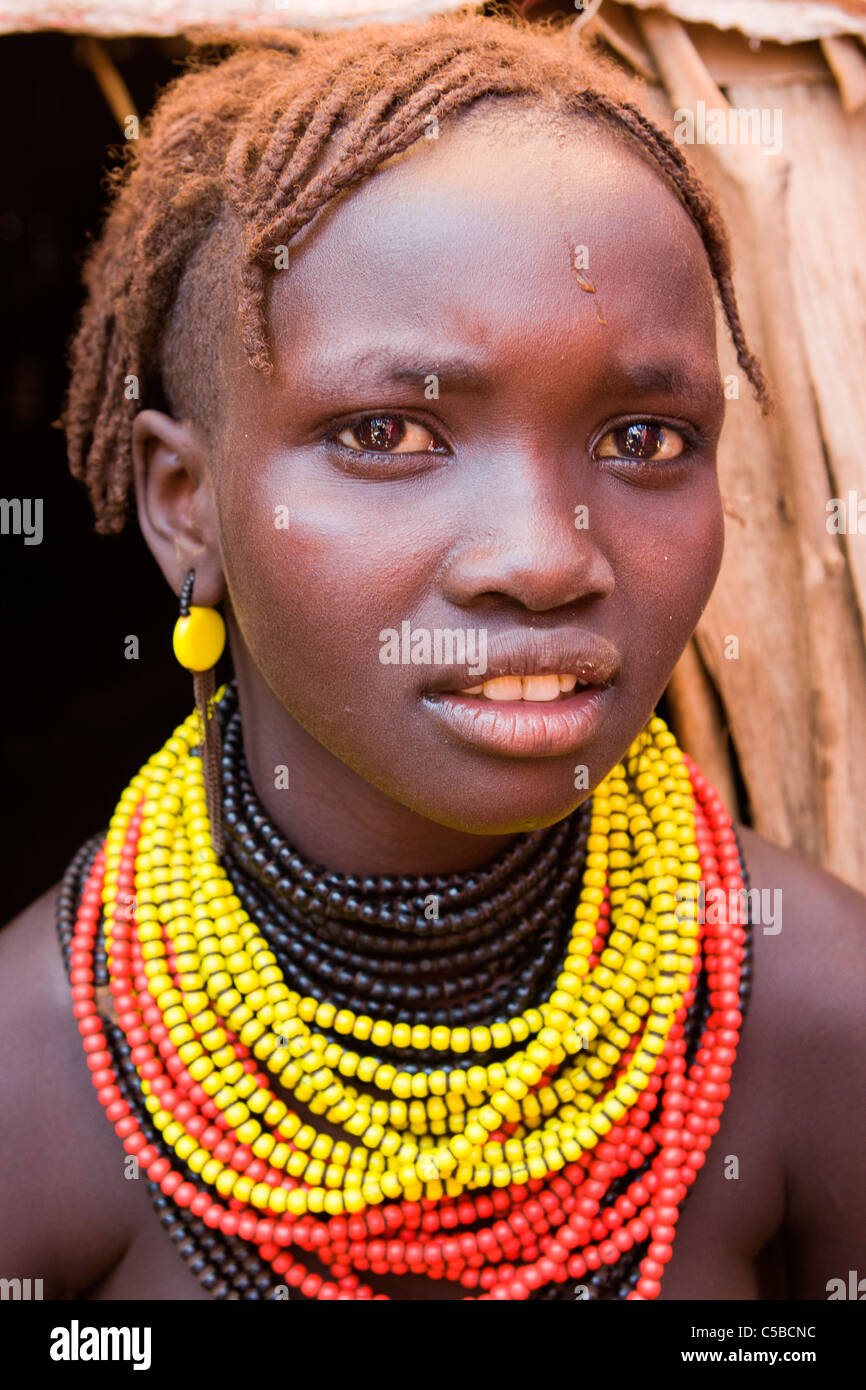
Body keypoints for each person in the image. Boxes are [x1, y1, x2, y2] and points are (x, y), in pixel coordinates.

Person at [1, 9, 864, 1302]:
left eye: (640, 437)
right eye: (389, 432)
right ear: (186, 502)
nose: (542, 555)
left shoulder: (812, 1012)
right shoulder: (39, 1078)